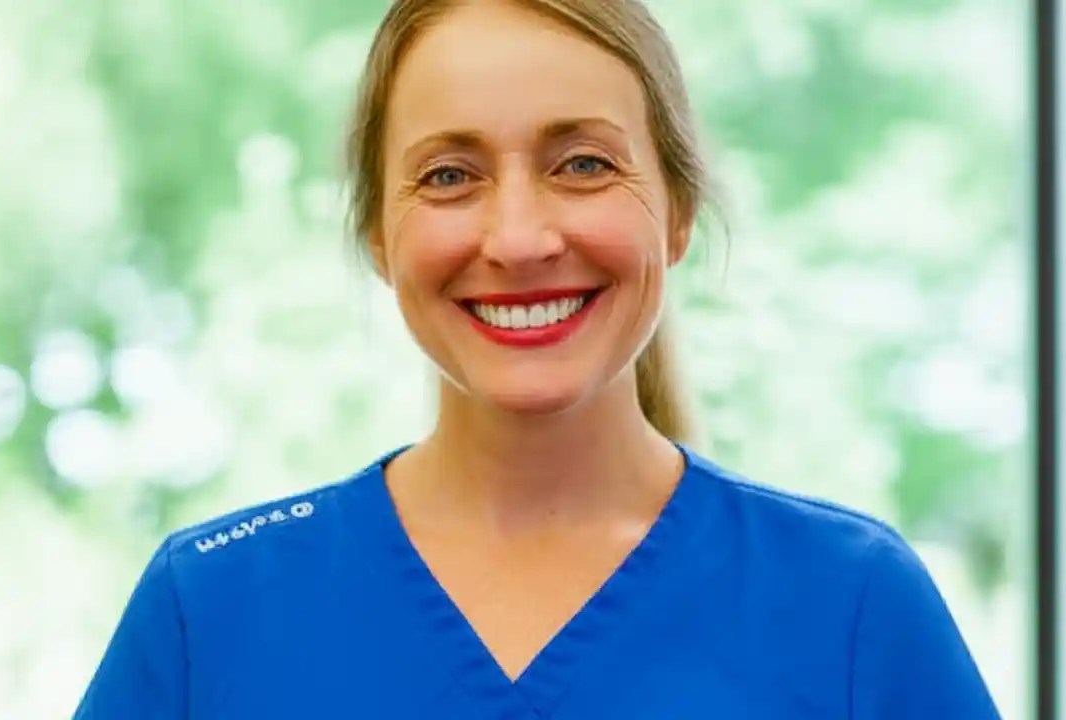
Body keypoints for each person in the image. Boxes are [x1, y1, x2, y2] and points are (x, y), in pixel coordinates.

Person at [75, 0, 1002, 717]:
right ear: (377, 236)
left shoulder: (851, 606)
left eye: (583, 164)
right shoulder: (210, 612)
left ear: (678, 211)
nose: (519, 238)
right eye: (449, 176)